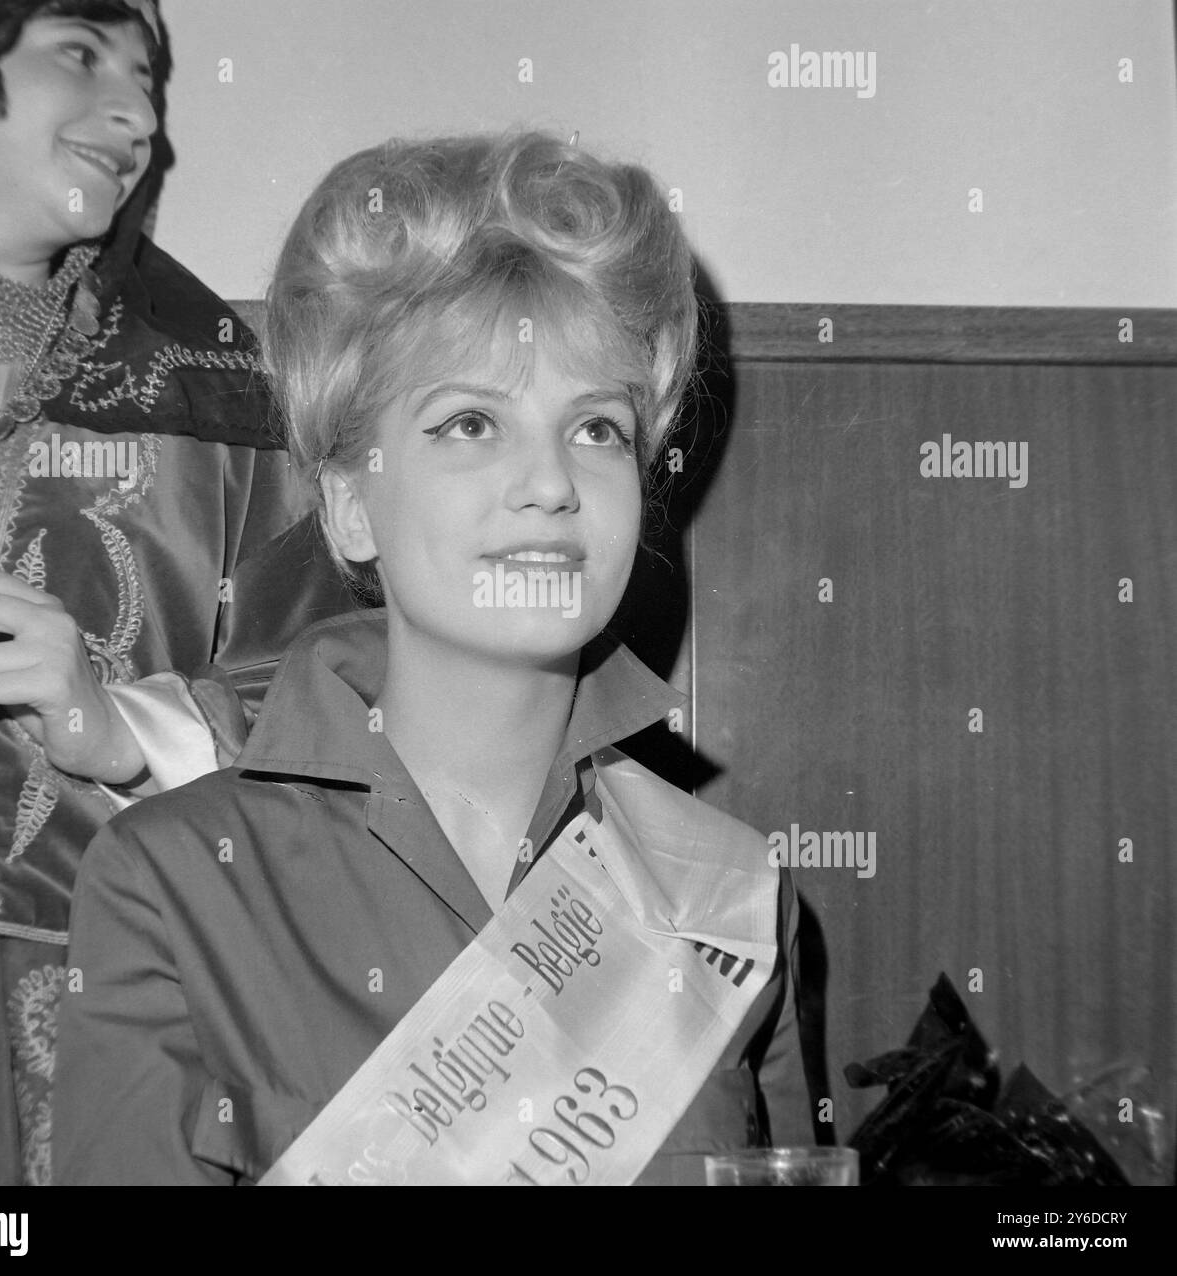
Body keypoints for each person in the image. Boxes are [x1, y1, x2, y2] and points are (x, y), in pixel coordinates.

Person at [53, 132, 811, 1186]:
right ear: (351, 503)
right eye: (469, 421)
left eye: (595, 427)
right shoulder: (172, 886)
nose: (549, 482)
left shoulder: (727, 895)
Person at [0, 0, 346, 1185]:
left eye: (149, 79)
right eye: (79, 56)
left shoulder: (206, 392)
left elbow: (333, 703)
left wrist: (116, 725)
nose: (137, 117)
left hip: (84, 998)